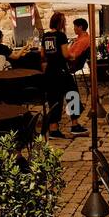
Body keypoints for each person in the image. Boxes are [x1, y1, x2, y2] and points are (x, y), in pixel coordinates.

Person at [42, 11, 76, 139]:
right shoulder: (61, 36)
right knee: (73, 94)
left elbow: (42, 54)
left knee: (53, 99)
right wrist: (72, 55)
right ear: (61, 23)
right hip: (61, 70)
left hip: (50, 71)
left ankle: (53, 127)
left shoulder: (45, 36)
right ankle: (74, 124)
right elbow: (66, 54)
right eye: (64, 21)